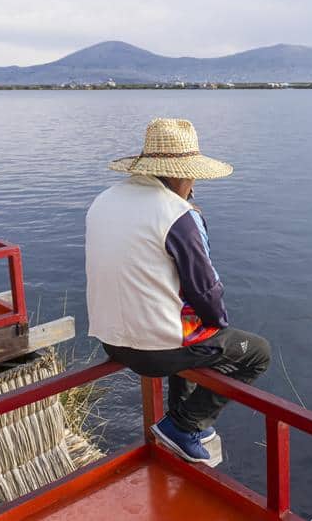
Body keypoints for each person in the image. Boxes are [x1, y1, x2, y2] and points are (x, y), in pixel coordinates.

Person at [85, 118, 271, 463]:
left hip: (110, 341)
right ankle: (184, 425)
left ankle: (181, 419)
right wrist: (219, 322)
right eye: (192, 176)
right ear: (181, 174)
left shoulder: (104, 200)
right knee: (256, 351)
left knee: (185, 326)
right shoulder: (177, 214)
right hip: (154, 354)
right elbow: (206, 291)